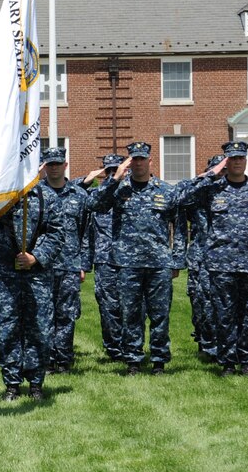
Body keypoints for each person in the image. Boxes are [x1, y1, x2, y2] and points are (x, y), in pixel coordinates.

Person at [89, 142, 217, 376]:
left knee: (160, 314)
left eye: (142, 159)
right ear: (129, 163)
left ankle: (159, 359)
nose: (138, 163)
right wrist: (114, 179)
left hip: (159, 263)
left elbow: (179, 227)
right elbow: (94, 204)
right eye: (134, 159)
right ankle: (133, 359)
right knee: (130, 313)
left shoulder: (165, 191)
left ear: (150, 161)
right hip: (127, 263)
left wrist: (177, 260)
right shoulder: (119, 190)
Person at [189, 142, 248, 376]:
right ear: (226, 162)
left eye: (240, 158)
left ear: (246, 161)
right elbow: (185, 196)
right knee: (224, 316)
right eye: (232, 158)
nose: (237, 162)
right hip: (221, 266)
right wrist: (211, 175)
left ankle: (247, 362)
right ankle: (228, 363)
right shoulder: (211, 191)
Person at [0, 182, 63, 401]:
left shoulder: (47, 197)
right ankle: (12, 384)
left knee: (39, 329)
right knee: (6, 329)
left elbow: (56, 234)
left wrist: (36, 257)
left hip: (37, 275)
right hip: (4, 273)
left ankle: (36, 383)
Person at [40, 147, 92, 373]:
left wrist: (83, 264)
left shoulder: (79, 195)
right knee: (43, 313)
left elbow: (86, 231)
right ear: (44, 167)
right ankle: (47, 358)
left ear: (65, 165)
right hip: (41, 264)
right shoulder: (36, 194)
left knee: (67, 314)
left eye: (57, 164)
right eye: (50, 164)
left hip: (69, 264)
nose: (54, 168)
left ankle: (64, 359)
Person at [175, 154, 226, 361]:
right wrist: (205, 179)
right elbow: (180, 198)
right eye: (217, 171)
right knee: (200, 303)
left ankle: (222, 346)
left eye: (223, 171)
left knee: (226, 302)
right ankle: (205, 342)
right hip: (200, 258)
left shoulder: (233, 192)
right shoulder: (197, 191)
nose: (220, 175)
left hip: (226, 258)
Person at [87, 154, 126, 362]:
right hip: (104, 259)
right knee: (108, 306)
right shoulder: (96, 196)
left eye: (115, 170)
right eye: (108, 171)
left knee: (131, 305)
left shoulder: (131, 194)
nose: (112, 174)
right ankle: (113, 348)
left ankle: (131, 345)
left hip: (129, 259)